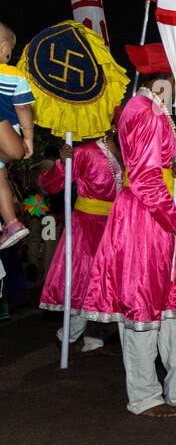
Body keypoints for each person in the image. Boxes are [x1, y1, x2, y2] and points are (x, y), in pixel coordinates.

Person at [81, 43, 176, 417]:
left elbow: (153, 167)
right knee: (143, 311)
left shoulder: (153, 109)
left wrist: (175, 169)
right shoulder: (144, 111)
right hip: (151, 219)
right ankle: (145, 397)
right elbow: (146, 179)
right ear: (169, 77)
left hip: (164, 211)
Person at [37, 127, 123, 352]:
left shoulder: (132, 155)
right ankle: (71, 333)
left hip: (117, 227)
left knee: (109, 282)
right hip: (86, 227)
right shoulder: (86, 152)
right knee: (85, 281)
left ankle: (93, 334)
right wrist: (62, 163)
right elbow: (49, 184)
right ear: (114, 129)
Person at [0, 22, 35, 250]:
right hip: (12, 144)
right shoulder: (15, 75)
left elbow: (24, 108)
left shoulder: (12, 74)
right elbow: (23, 108)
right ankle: (11, 223)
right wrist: (28, 138)